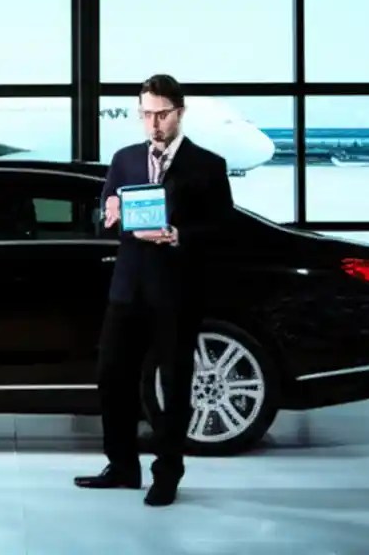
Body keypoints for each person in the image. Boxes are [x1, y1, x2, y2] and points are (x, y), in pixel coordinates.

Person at [73, 73, 234, 506]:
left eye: (161, 114)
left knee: (174, 385)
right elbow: (104, 215)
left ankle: (167, 474)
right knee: (112, 377)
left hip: (176, 292)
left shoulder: (207, 165)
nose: (154, 123)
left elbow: (223, 229)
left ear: (179, 112)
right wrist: (107, 210)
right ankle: (123, 467)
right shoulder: (124, 159)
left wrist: (179, 234)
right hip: (127, 289)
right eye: (146, 114)